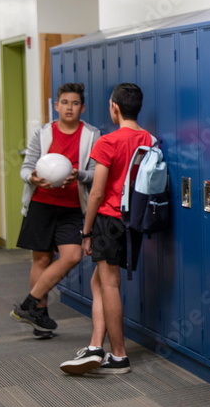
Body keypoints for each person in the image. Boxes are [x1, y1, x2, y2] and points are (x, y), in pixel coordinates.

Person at [60, 83, 154, 376]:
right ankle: (95, 346)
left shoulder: (107, 142)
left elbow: (97, 192)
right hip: (133, 221)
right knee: (99, 282)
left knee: (109, 284)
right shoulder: (149, 139)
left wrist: (86, 232)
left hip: (107, 220)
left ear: (114, 107)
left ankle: (119, 355)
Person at [11, 83, 100, 338]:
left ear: (82, 107)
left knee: (72, 256)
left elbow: (95, 172)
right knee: (41, 259)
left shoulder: (92, 135)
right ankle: (39, 315)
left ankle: (29, 304)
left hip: (72, 208)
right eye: (64, 102)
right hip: (41, 204)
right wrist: (33, 178)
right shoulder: (44, 133)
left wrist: (79, 175)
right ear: (56, 105)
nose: (69, 107)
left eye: (74, 103)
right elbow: (26, 167)